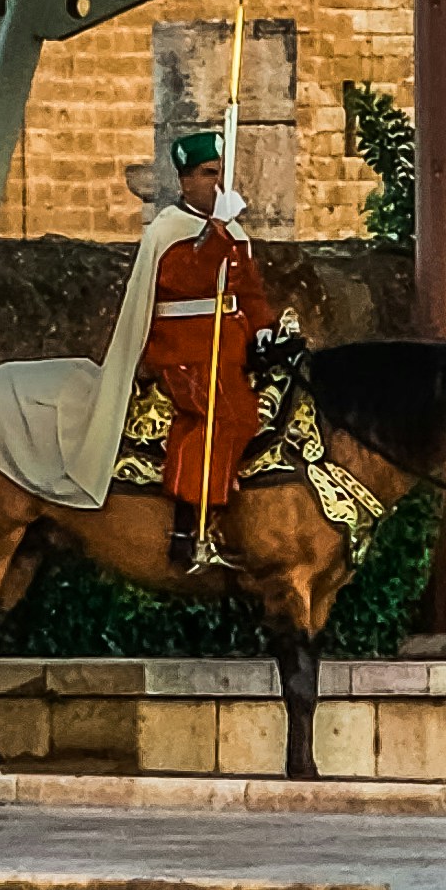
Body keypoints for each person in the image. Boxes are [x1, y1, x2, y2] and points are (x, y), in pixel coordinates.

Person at [143, 125, 268, 573]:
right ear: (186, 180)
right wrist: (217, 231)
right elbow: (185, 277)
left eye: (221, 174)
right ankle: (188, 528)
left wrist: (267, 331)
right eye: (208, 174)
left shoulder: (231, 232)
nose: (217, 184)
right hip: (183, 348)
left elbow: (248, 292)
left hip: (229, 346)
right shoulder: (171, 231)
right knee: (223, 416)